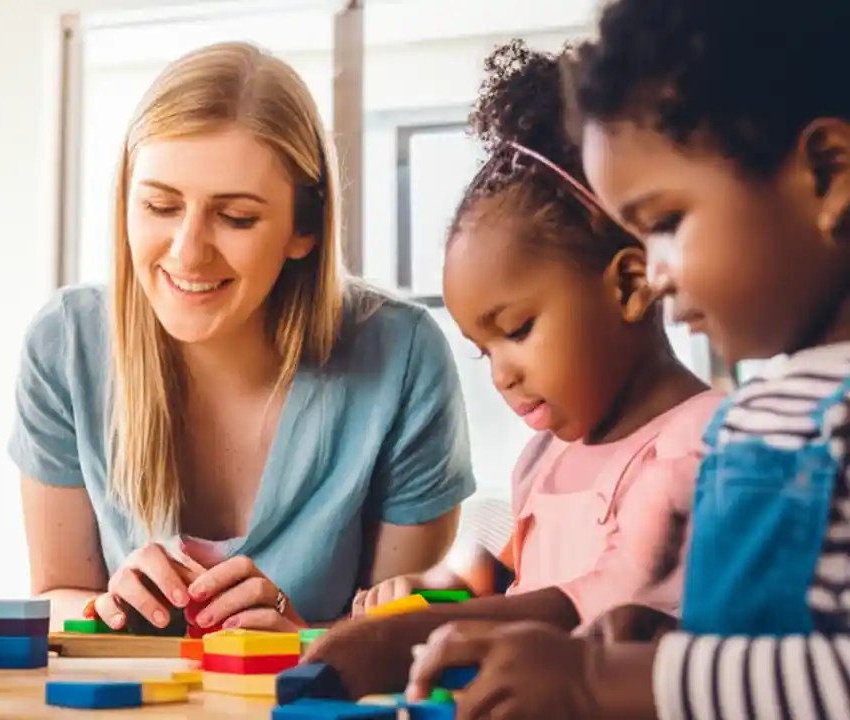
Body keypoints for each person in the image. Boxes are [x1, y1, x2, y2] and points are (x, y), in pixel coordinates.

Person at [407, 0, 850, 717]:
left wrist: (602, 681)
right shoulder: (767, 413)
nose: (658, 269)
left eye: (669, 223)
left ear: (827, 174)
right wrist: (662, 640)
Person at [11, 41, 475, 632]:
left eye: (236, 218)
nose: (187, 252)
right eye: (159, 205)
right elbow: (56, 593)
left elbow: (409, 638)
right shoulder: (66, 344)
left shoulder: (402, 357)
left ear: (303, 229)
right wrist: (98, 611)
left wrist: (300, 640)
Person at [306, 40, 721, 695]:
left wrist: (402, 640)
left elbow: (614, 599)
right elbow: (497, 575)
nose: (502, 373)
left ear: (630, 285)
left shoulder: (697, 444)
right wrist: (435, 590)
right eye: (483, 348)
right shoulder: (544, 456)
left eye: (518, 331)